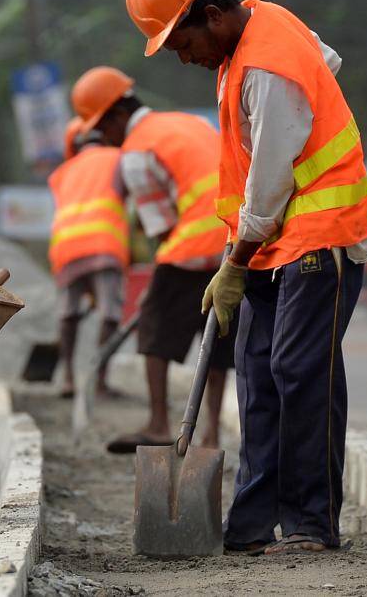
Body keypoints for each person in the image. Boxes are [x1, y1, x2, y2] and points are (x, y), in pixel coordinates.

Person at [126, 0, 367, 555]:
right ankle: (251, 524)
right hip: (272, 240)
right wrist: (241, 255)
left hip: (319, 234)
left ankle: (311, 523)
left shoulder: (266, 64)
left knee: (298, 370)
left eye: (182, 44)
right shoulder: (258, 32)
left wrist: (233, 262)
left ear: (210, 15)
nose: (185, 59)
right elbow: (329, 62)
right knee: (258, 374)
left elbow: (268, 177)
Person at [69, 65, 235, 453]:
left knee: (154, 331)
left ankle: (160, 423)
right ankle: (210, 434)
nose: (106, 140)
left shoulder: (137, 152)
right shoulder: (185, 121)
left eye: (102, 130)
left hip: (194, 245)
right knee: (217, 336)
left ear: (117, 116)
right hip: (236, 242)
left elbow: (162, 227)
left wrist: (155, 290)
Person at [48, 118, 129, 399]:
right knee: (110, 312)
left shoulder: (61, 172)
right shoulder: (117, 158)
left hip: (66, 249)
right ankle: (99, 381)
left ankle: (68, 378)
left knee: (68, 312)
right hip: (104, 244)